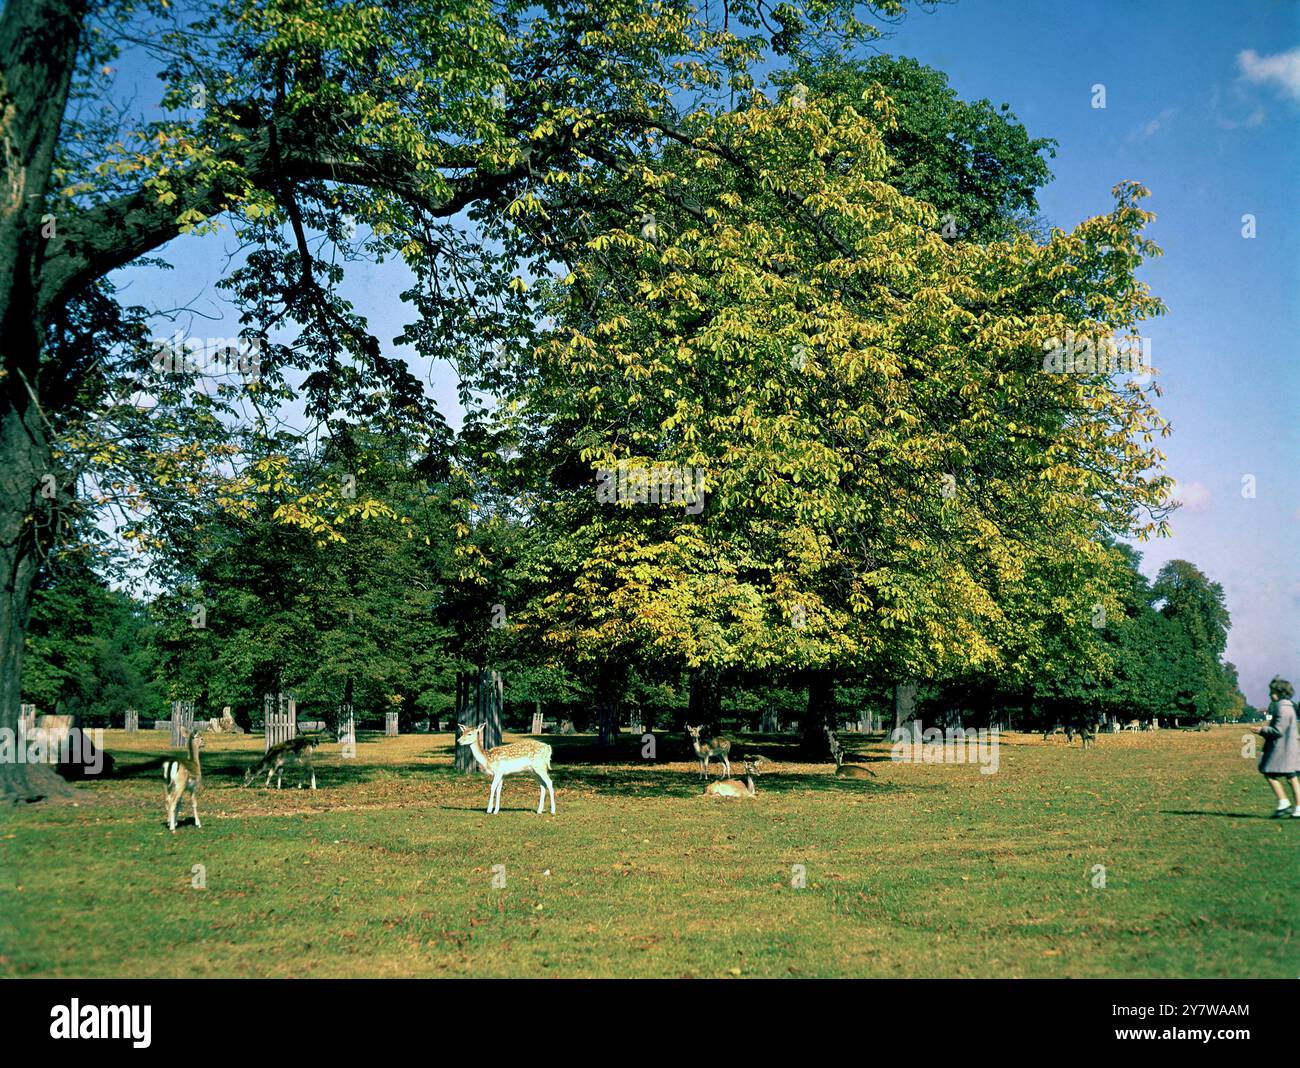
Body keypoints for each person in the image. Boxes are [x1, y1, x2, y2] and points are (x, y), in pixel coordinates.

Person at [1253, 676, 1300, 818]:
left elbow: (1278, 731)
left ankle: (1285, 803)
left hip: (1281, 750)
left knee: (1269, 773)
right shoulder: (1289, 707)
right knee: (1292, 777)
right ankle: (1294, 806)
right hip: (1289, 749)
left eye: (1271, 692)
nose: (1269, 695)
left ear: (1279, 692)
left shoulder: (1282, 708)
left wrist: (1261, 730)